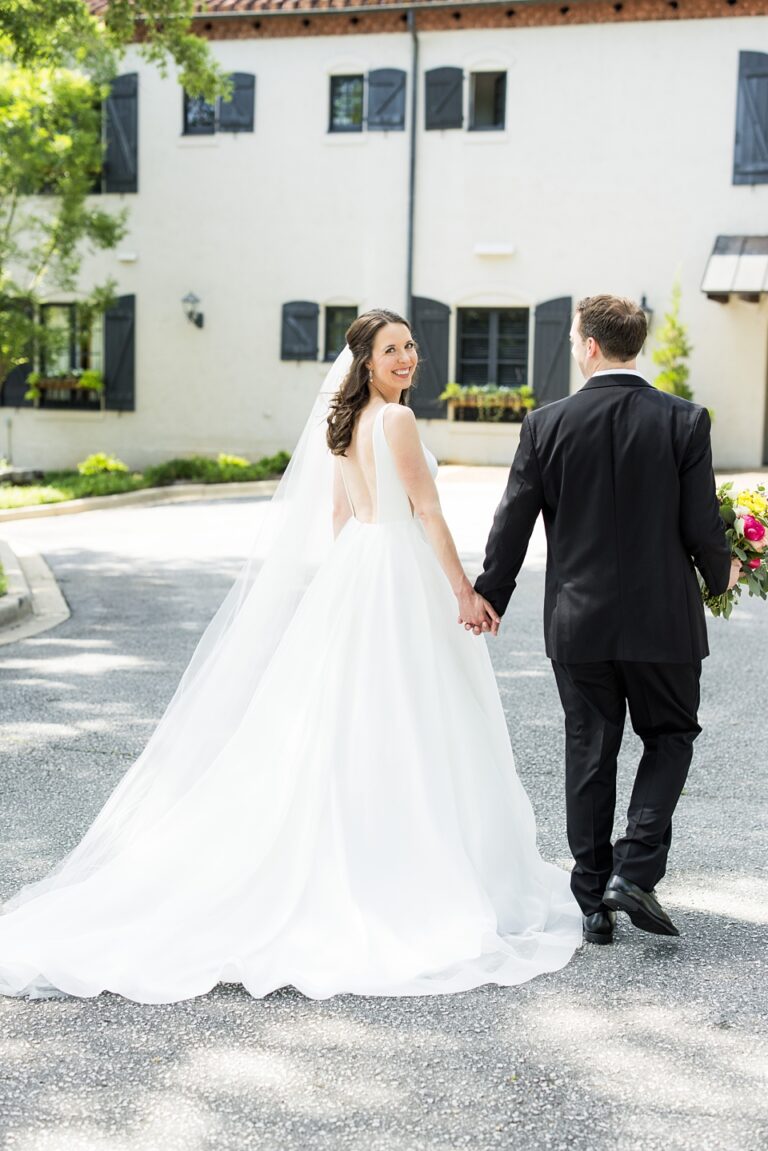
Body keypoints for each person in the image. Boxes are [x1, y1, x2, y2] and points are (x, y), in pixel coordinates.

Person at [0, 309, 581, 1003]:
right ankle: (410, 861)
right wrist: (463, 590)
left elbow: (340, 517)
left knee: (349, 721)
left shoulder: (343, 425)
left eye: (411, 347)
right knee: (414, 716)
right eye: (392, 349)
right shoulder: (394, 421)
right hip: (396, 568)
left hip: (360, 568)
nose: (407, 358)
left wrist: (345, 589)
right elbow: (426, 513)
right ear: (365, 360)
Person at [468, 295, 737, 946]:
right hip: (663, 622)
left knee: (590, 748)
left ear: (588, 345)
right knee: (670, 734)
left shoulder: (547, 424)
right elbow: (701, 523)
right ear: (635, 345)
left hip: (579, 621)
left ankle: (592, 902)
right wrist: (720, 569)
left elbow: (512, 523)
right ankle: (635, 867)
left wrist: (490, 595)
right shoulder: (684, 420)